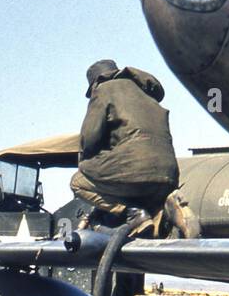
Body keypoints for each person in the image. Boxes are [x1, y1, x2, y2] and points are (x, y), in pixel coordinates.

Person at [71, 59, 192, 236]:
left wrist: (88, 159)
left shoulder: (104, 90)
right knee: (141, 186)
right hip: (168, 174)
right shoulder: (145, 92)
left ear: (95, 83)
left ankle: (133, 213)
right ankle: (170, 202)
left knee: (77, 182)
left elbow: (90, 139)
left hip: (135, 169)